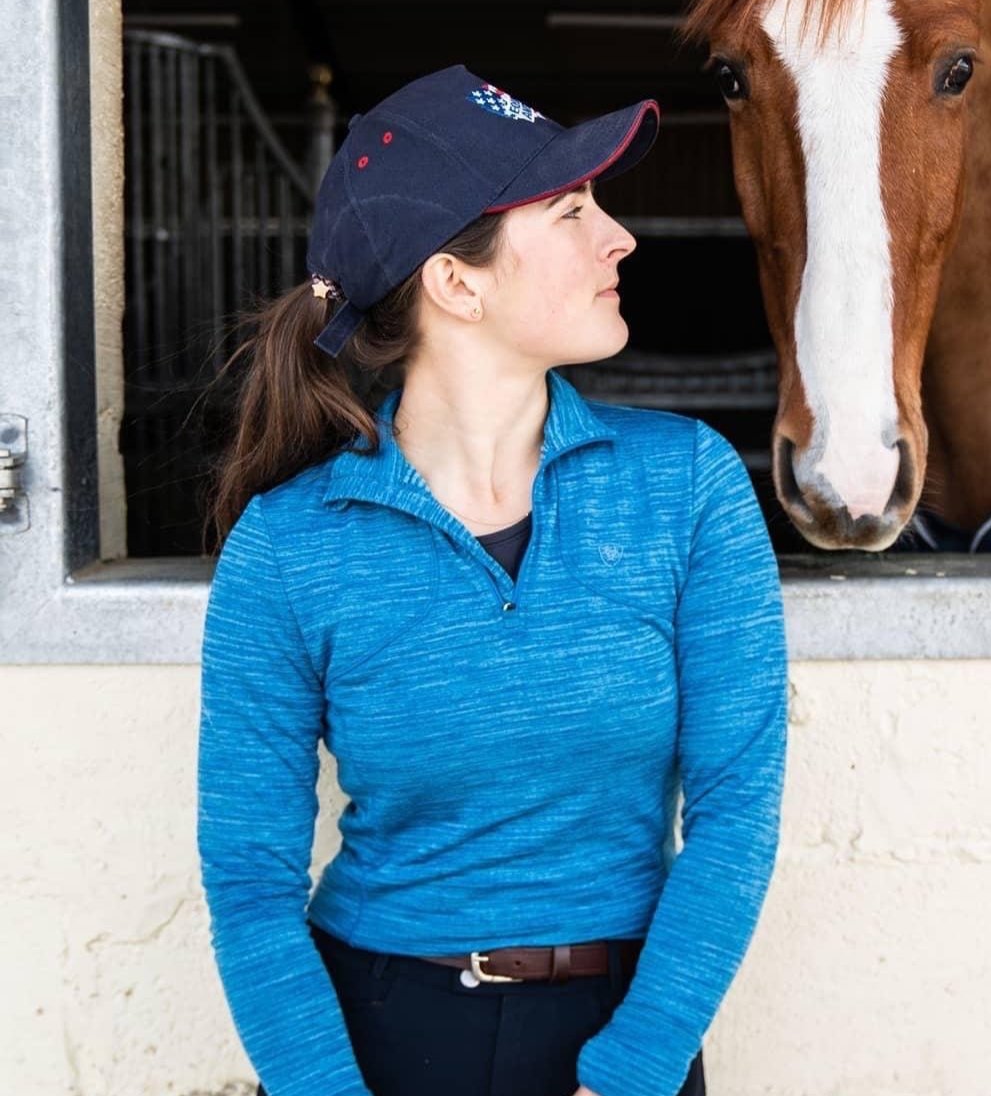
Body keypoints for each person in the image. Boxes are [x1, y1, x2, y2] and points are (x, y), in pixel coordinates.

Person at [195, 65, 790, 1096]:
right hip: (379, 1036)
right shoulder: (288, 547)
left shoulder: (686, 487)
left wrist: (635, 1069)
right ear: (456, 283)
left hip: (625, 1035)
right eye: (570, 212)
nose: (621, 237)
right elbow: (249, 881)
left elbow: (739, 810)